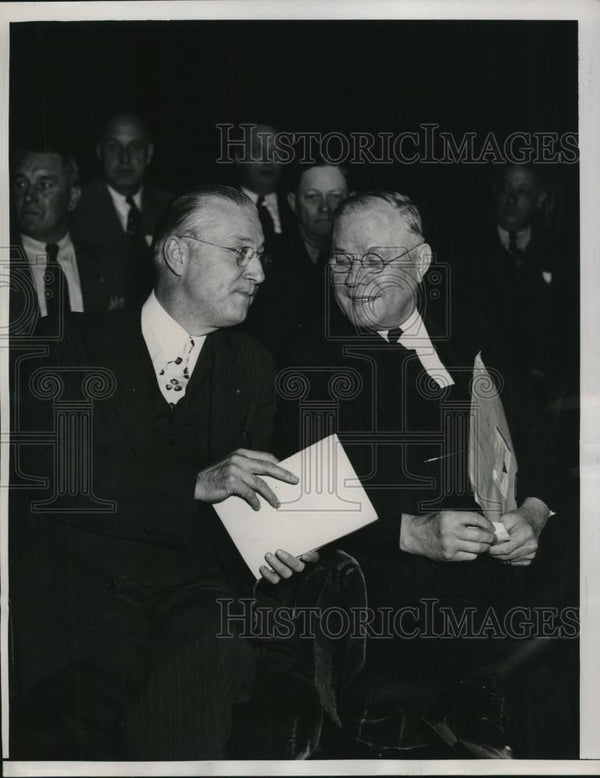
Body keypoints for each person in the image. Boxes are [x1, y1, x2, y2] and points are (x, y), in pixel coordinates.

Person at [9, 185, 319, 760]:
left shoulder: (252, 366)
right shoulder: (70, 343)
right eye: (240, 253)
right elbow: (54, 474)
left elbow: (237, 518)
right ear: (178, 255)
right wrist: (194, 483)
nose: (259, 274)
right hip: (79, 607)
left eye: (262, 257)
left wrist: (273, 544)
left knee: (211, 648)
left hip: (191, 611)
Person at [277, 191, 576, 758]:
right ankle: (481, 690)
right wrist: (410, 532)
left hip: (501, 553)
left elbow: (538, 445)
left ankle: (480, 690)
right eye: (341, 259)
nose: (353, 277)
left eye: (374, 259)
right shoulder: (308, 356)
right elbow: (308, 500)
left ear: (419, 263)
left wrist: (532, 514)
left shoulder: (469, 326)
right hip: (398, 568)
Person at [243, 160, 350, 358]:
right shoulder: (267, 264)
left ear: (350, 201)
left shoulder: (360, 265)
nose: (325, 207)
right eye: (312, 197)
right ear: (293, 203)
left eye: (336, 197)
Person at [70, 112, 171, 306]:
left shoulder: (170, 207)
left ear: (149, 154)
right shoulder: (75, 206)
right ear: (100, 152)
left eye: (135, 147)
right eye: (114, 146)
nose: (124, 158)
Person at [10, 148, 112, 332]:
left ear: (72, 197)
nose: (28, 197)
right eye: (20, 184)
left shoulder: (107, 266)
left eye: (44, 185)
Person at [234, 122, 295, 256]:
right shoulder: (225, 207)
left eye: (275, 152)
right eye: (257, 151)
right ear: (239, 156)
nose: (268, 159)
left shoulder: (298, 208)